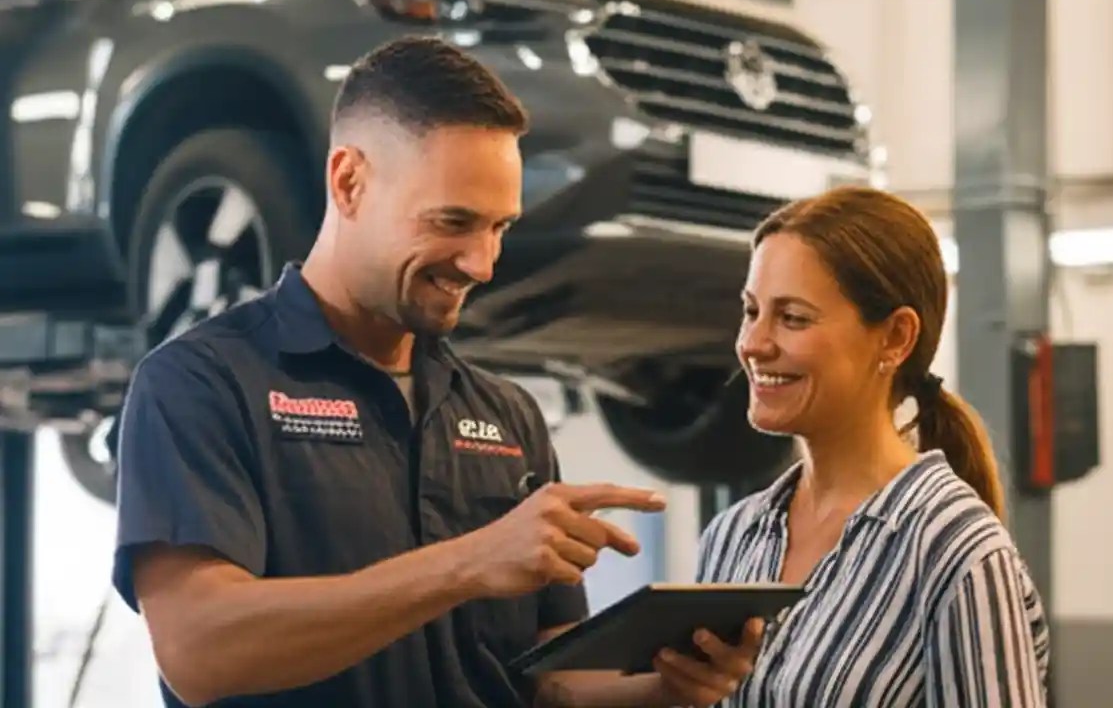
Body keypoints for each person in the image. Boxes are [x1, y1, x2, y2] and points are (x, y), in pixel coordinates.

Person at [112, 36, 760, 708]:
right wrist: (467, 564)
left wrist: (668, 686)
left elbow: (550, 680)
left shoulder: (507, 415)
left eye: (499, 227)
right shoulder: (201, 385)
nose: (481, 263)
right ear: (349, 181)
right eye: (452, 221)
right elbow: (199, 651)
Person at [695, 186, 1052, 706]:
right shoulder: (732, 538)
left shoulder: (956, 550)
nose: (753, 343)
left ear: (895, 338)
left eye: (792, 317)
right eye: (752, 311)